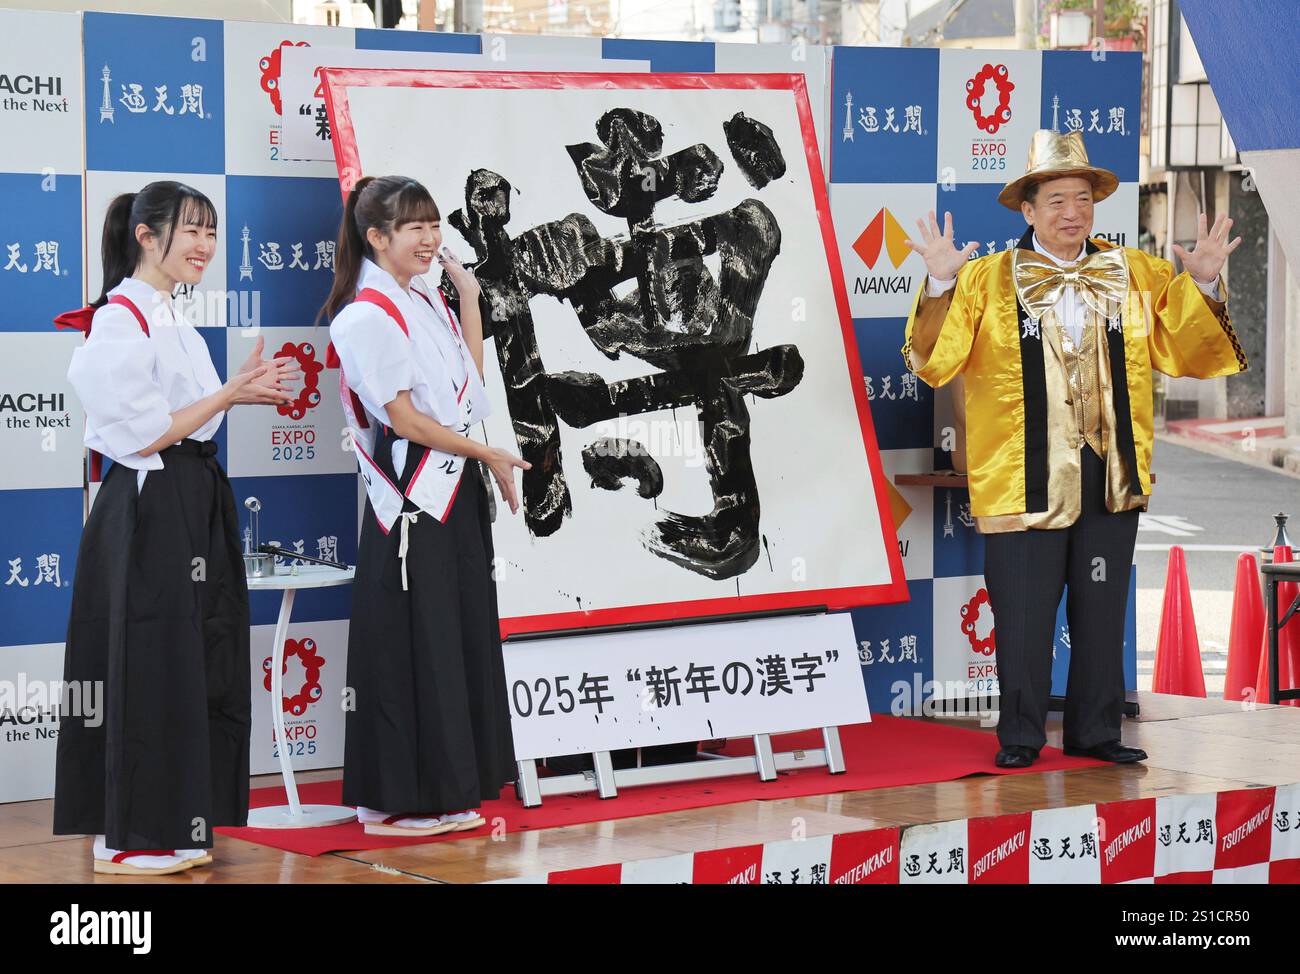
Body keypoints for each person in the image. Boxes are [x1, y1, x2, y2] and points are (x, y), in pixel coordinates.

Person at [902, 130, 1247, 768]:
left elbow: (1183, 348)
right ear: (1027, 210)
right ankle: (1022, 736)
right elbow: (934, 359)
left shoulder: (1134, 272)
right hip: (1023, 474)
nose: (1072, 212)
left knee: (1101, 605)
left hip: (1109, 469)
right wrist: (939, 282)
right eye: (1057, 199)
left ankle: (1096, 730)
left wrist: (1200, 283)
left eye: (1083, 199)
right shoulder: (984, 280)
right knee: (1024, 614)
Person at [52, 181, 299, 875]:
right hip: (146, 504)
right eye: (191, 230)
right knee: (143, 662)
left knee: (189, 662)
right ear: (145, 235)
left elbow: (194, 420)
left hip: (191, 498)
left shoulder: (169, 316)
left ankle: (177, 827)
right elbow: (143, 432)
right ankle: (125, 838)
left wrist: (233, 390)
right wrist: (229, 392)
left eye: (212, 233)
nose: (204, 246)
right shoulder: (118, 319)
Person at [321, 175, 529, 836]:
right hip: (411, 496)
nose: (430, 238)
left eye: (434, 224)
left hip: (454, 482)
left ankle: (447, 789)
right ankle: (398, 798)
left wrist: (468, 300)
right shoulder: (365, 315)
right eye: (414, 226)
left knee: (455, 634)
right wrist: (488, 456)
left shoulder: (427, 298)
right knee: (412, 642)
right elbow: (406, 421)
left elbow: (467, 388)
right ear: (376, 237)